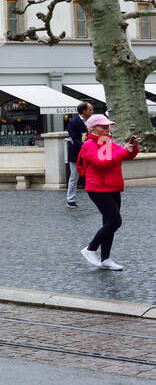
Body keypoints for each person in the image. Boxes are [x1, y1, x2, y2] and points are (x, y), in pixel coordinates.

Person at [77, 114, 138, 270]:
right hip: (98, 188)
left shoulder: (106, 142)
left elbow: (127, 156)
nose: (107, 129)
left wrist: (132, 148)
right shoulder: (89, 145)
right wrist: (124, 151)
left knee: (109, 223)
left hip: (112, 187)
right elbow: (102, 163)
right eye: (103, 127)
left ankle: (105, 259)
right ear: (93, 129)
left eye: (108, 126)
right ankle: (90, 249)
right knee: (115, 221)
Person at [65, 100, 92, 208]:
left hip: (89, 153)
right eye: (90, 109)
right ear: (83, 111)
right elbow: (74, 138)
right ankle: (70, 199)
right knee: (74, 177)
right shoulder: (73, 122)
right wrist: (85, 147)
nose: (92, 111)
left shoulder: (90, 122)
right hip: (76, 154)